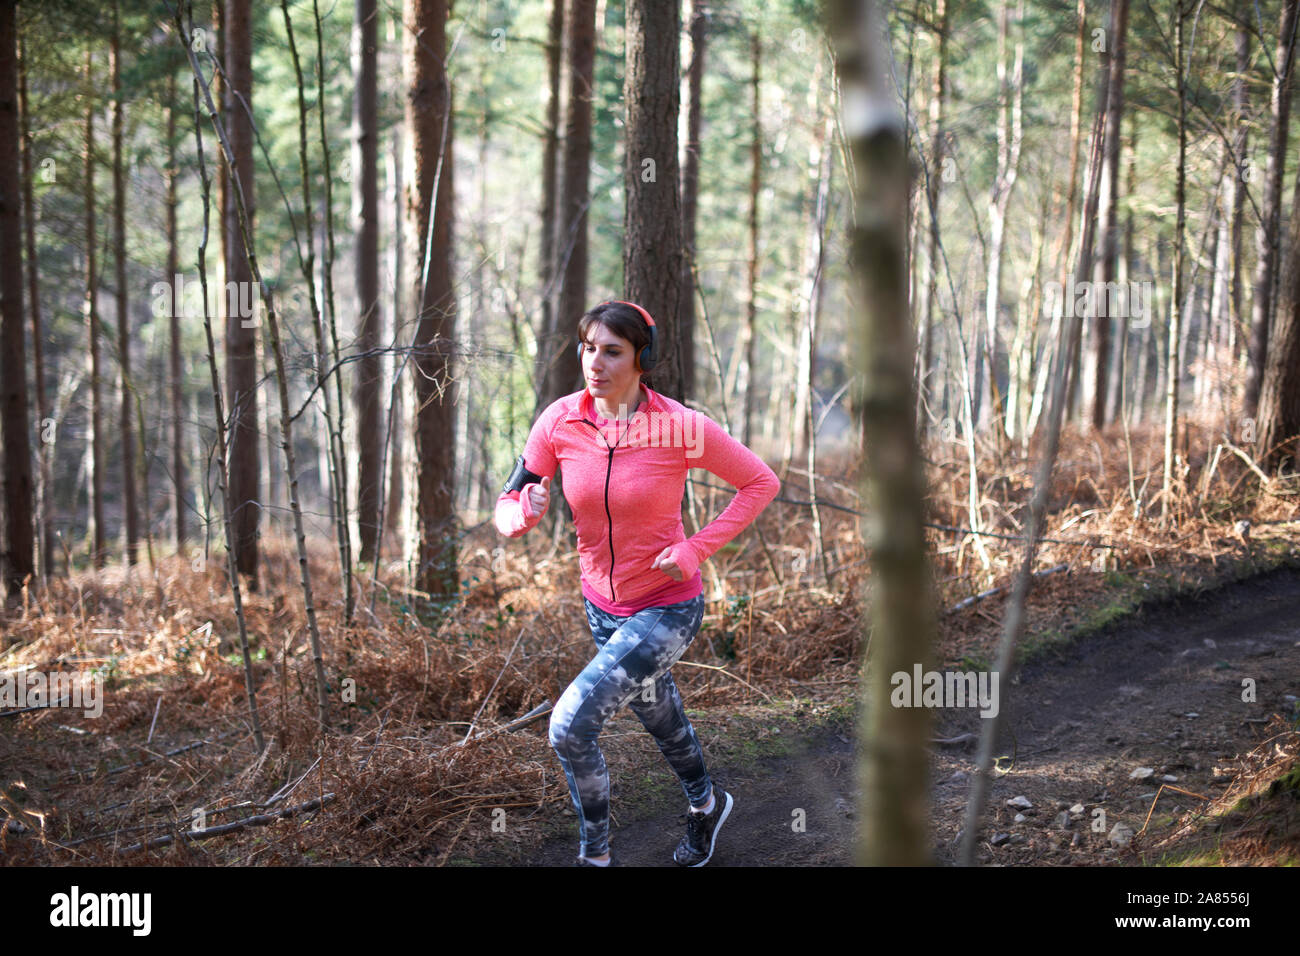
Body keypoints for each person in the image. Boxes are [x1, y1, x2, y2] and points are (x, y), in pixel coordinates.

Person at [495, 299, 779, 867]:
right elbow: (505, 507)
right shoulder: (560, 420)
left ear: (642, 359)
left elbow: (760, 481)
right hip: (602, 607)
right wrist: (522, 513)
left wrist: (695, 548)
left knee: (570, 727)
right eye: (587, 348)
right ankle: (708, 804)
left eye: (612, 351)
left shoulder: (679, 427)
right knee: (658, 713)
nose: (594, 363)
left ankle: (594, 858)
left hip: (667, 607)